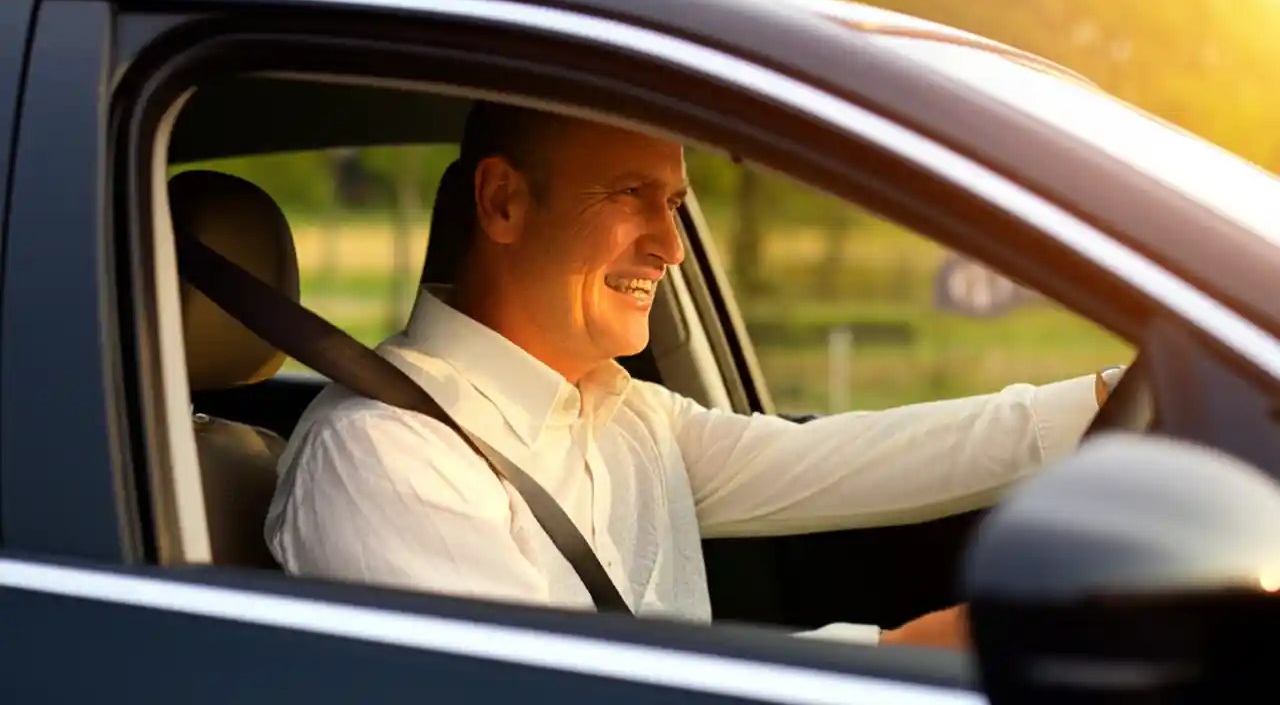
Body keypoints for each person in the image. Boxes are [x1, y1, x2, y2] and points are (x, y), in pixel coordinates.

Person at [265, 102, 1118, 648]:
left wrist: (1112, 401)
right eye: (630, 194)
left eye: (671, 204)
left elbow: (856, 458)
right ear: (502, 204)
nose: (670, 246)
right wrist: (900, 657)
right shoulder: (382, 458)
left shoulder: (624, 414)